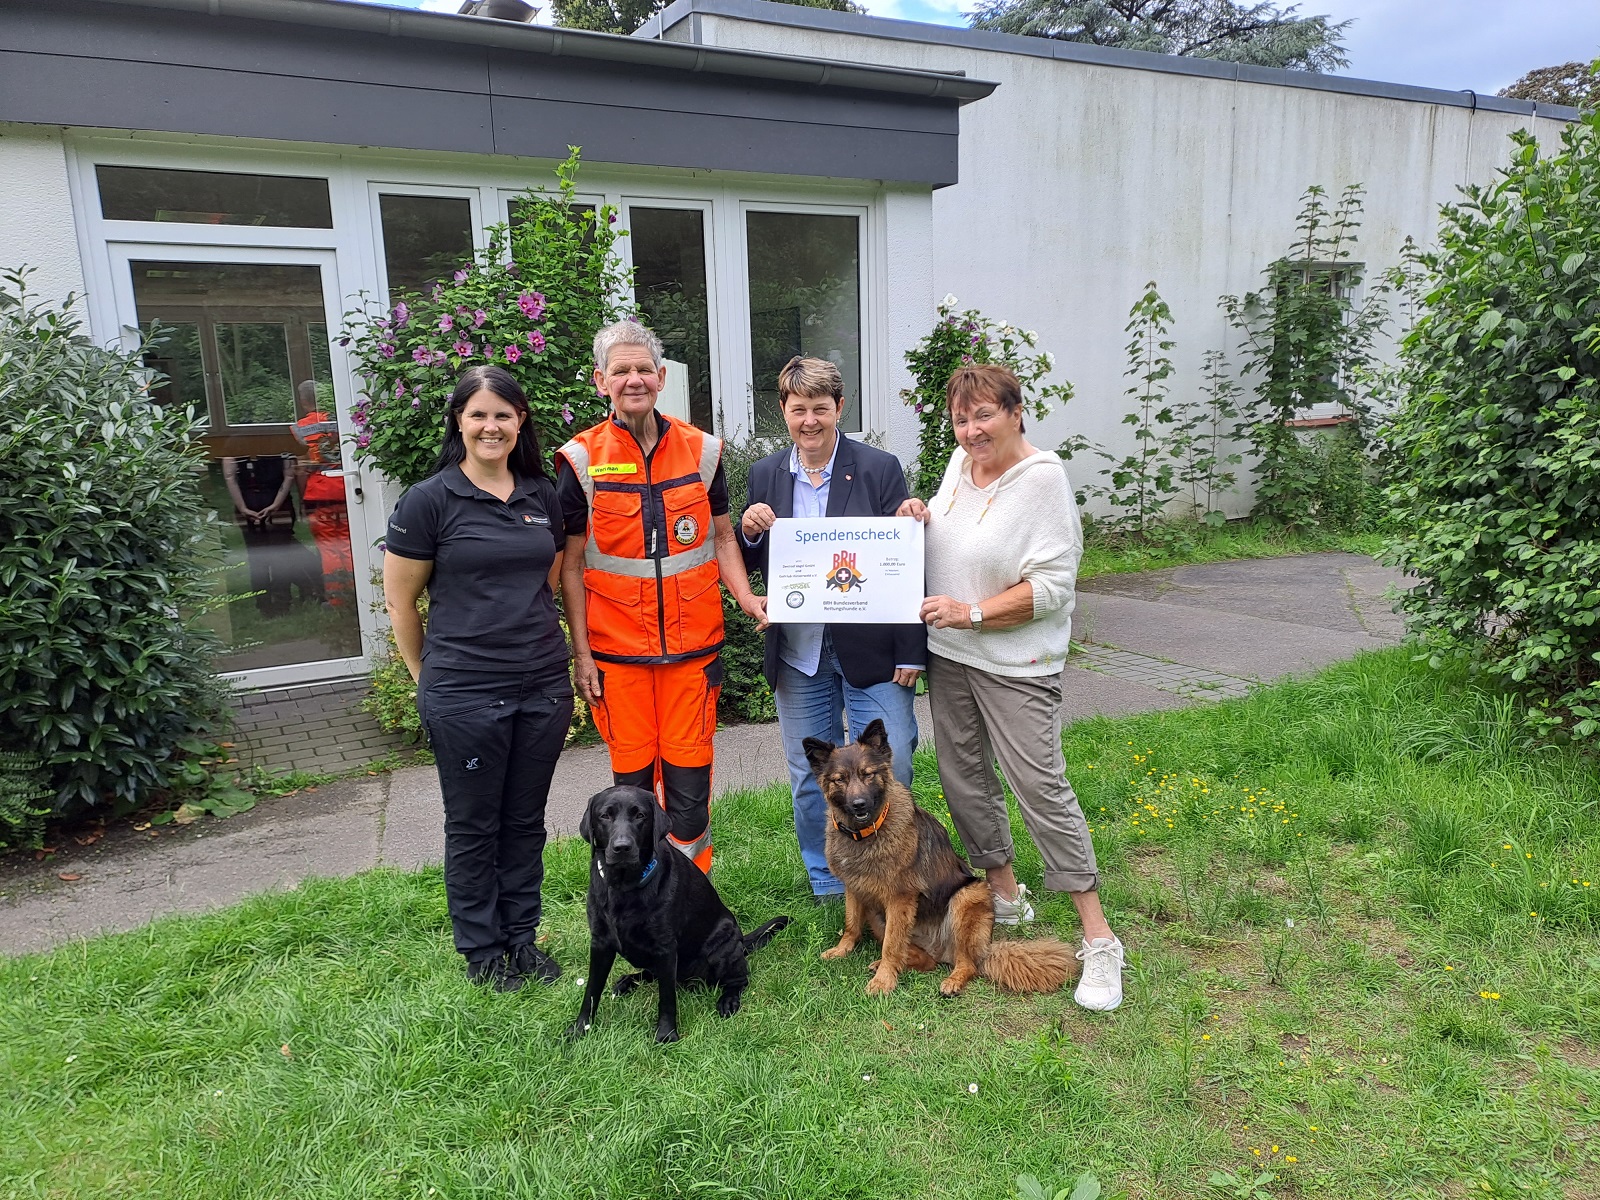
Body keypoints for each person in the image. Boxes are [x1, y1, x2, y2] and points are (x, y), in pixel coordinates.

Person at [899, 363, 1125, 1011]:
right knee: (963, 778)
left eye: (984, 415)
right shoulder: (959, 465)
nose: (972, 430)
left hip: (1017, 664)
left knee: (1039, 786)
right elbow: (949, 532)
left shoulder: (1043, 480)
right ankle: (1005, 892)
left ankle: (1099, 938)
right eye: (962, 419)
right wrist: (920, 513)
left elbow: (1053, 588)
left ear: (1016, 412)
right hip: (951, 659)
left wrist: (971, 613)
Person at [383, 365, 572, 993]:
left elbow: (543, 583)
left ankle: (523, 939)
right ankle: (482, 951)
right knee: (473, 824)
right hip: (463, 693)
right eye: (478, 414)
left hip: (542, 686)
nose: (491, 426)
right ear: (459, 422)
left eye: (504, 414)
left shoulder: (541, 495)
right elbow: (400, 605)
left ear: (521, 423)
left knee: (525, 820)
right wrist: (428, 679)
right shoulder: (428, 501)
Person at [556, 321, 766, 876]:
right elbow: (570, 567)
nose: (633, 379)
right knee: (629, 796)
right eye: (620, 370)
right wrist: (581, 656)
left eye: (643, 368)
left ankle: (690, 893)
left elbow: (722, 536)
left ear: (662, 376)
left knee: (690, 791)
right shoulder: (580, 460)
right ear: (602, 381)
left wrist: (745, 596)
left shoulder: (703, 451)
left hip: (692, 658)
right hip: (617, 661)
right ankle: (634, 895)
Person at [736, 356, 926, 902]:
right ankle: (828, 881)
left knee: (894, 764)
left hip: (874, 652)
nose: (810, 420)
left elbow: (907, 560)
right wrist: (751, 532)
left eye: (821, 408)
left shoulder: (878, 467)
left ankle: (891, 878)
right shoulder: (767, 473)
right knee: (807, 773)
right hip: (801, 652)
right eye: (799, 410)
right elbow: (759, 560)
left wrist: (912, 650)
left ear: (840, 408)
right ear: (784, 412)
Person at [221, 450, 322, 616]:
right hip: (277, 504)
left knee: (260, 558)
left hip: (252, 502)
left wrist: (243, 508)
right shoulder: (277, 446)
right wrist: (275, 505)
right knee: (279, 557)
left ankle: (266, 604)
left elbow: (229, 476)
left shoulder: (237, 446)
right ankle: (282, 602)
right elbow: (289, 476)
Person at [292, 379, 354, 608]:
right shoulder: (340, 422)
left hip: (319, 492)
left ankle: (337, 598)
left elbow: (302, 461)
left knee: (328, 548)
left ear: (302, 400)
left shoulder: (299, 428)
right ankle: (357, 592)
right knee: (348, 543)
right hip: (344, 487)